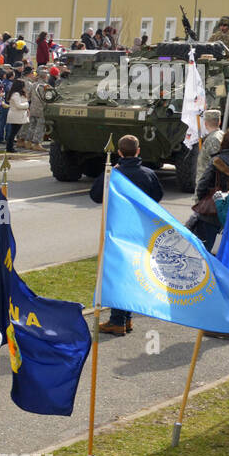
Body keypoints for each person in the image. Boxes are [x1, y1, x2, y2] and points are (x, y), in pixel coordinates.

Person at [91, 134, 162, 335]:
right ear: (138, 151)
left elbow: (96, 196)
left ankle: (118, 320)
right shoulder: (148, 174)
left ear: (120, 153)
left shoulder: (113, 174)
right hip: (140, 230)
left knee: (120, 274)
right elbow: (157, 196)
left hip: (118, 229)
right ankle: (126, 318)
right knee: (134, 272)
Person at [192, 128, 229, 252]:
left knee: (205, 251)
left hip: (213, 212)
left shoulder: (216, 160)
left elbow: (203, 184)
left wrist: (202, 199)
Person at [195, 109, 224, 181]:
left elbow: (215, 164)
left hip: (207, 184)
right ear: (219, 122)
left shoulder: (213, 139)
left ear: (205, 123)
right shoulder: (222, 135)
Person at [4, 77, 30, 151]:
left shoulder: (19, 94)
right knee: (13, 132)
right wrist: (26, 105)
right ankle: (9, 147)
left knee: (14, 132)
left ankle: (10, 147)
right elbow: (18, 105)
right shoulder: (16, 94)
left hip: (18, 115)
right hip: (16, 115)